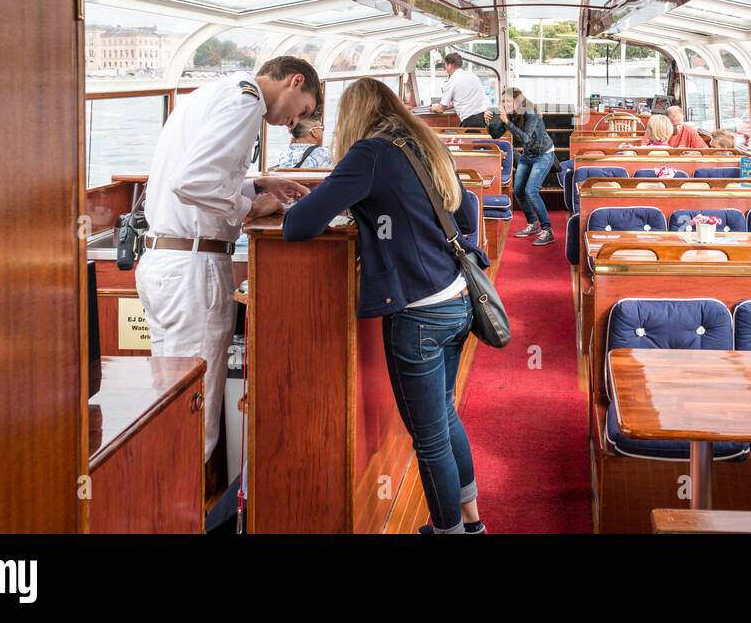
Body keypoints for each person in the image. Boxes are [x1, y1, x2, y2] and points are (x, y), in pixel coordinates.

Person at [281, 78, 489, 533]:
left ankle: (450, 531)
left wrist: (309, 201)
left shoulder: (369, 153)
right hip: (457, 298)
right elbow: (467, 215)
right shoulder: (425, 142)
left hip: (418, 312)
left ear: (353, 117)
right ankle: (471, 522)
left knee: (429, 436)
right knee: (445, 414)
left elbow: (297, 227)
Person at [135, 56, 318, 469]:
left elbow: (198, 172)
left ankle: (165, 506)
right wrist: (250, 207)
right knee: (194, 414)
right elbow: (193, 183)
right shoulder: (247, 101)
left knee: (171, 399)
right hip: (192, 269)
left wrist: (257, 183)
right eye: (301, 110)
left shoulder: (220, 90)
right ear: (294, 81)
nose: (294, 122)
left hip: (166, 261)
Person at [486, 87, 556, 246]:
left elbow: (525, 138)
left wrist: (506, 122)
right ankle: (533, 224)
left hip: (543, 155)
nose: (504, 104)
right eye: (502, 101)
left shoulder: (530, 112)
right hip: (528, 155)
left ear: (518, 101)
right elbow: (495, 135)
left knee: (530, 191)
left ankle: (548, 230)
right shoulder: (509, 114)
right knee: (518, 190)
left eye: (507, 101)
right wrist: (488, 122)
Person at [431, 52, 490, 127]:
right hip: (484, 118)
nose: (445, 68)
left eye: (445, 65)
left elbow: (441, 109)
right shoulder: (473, 76)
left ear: (449, 65)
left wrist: (433, 107)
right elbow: (462, 100)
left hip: (470, 121)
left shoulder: (452, 80)